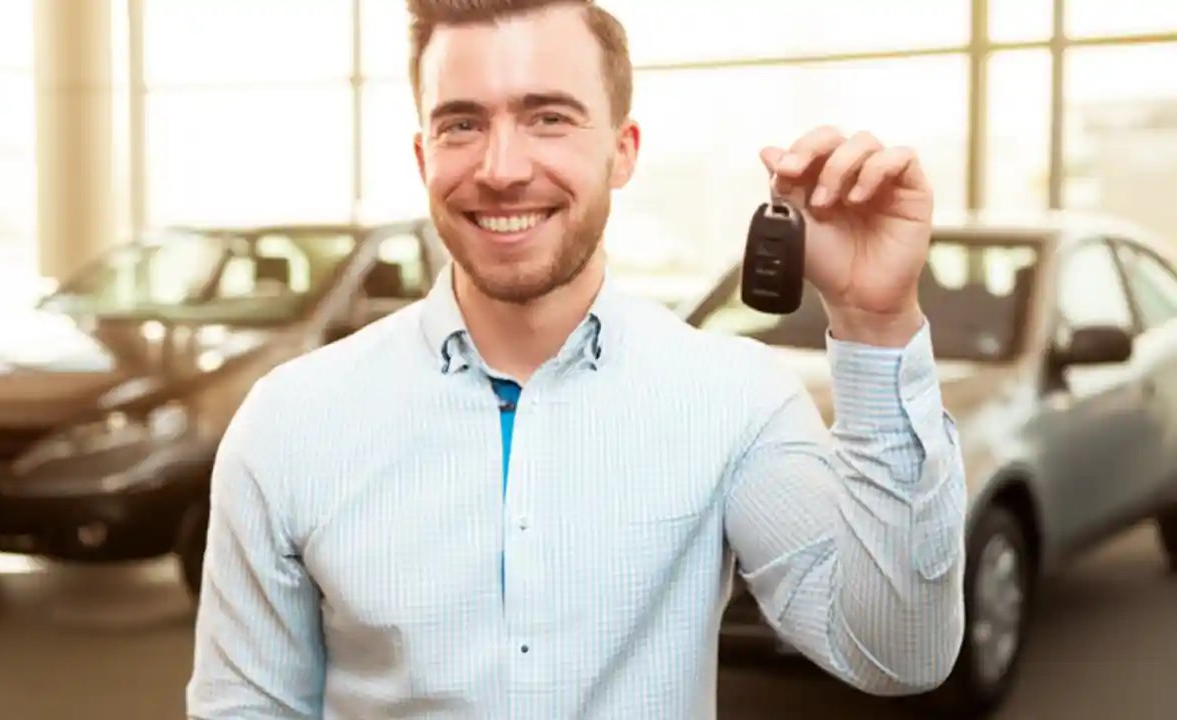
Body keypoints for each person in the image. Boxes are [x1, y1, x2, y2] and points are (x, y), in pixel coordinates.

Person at [186, 1, 967, 718]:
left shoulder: (732, 399)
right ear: (424, 154)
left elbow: (897, 653)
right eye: (461, 125)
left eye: (548, 118)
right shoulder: (291, 421)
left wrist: (875, 321)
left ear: (623, 151)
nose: (500, 168)